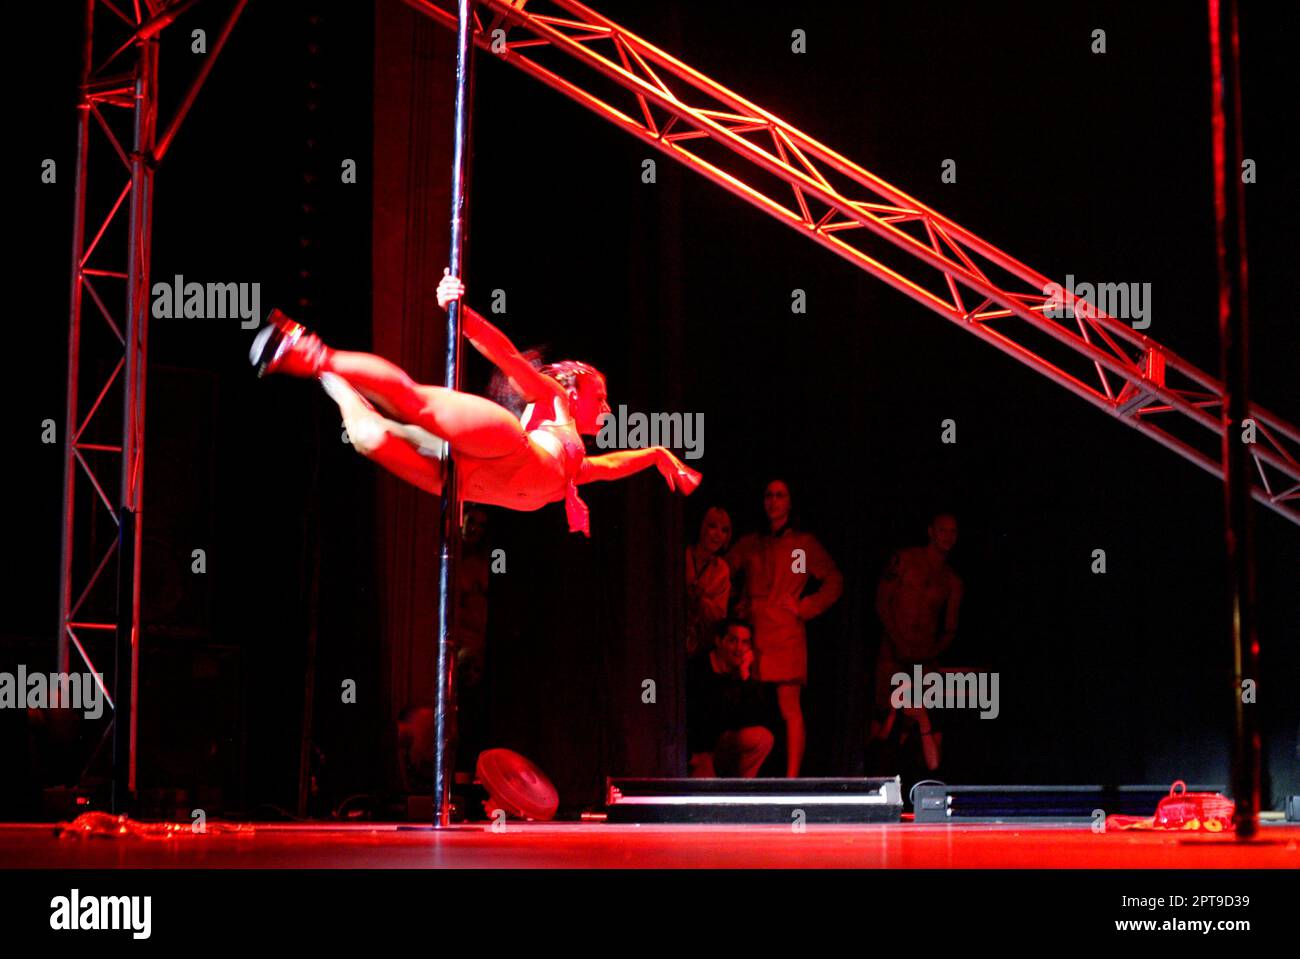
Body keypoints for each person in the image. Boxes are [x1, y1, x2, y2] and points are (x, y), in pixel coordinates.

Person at [249, 272, 701, 535]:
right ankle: (311, 352)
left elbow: (616, 465)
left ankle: (331, 377)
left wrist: (660, 455)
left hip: (455, 482)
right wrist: (461, 315)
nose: (606, 411)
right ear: (574, 388)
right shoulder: (555, 400)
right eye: (600, 399)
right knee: (412, 403)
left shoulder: (575, 470)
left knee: (367, 438)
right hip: (505, 445)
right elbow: (506, 355)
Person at [726, 479, 841, 777]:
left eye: (780, 495)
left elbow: (834, 581)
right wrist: (736, 602)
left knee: (789, 707)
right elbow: (725, 569)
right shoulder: (752, 542)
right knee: (742, 704)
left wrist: (805, 606)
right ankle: (739, 775)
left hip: (786, 632)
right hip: (751, 634)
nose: (773, 501)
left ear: (790, 503)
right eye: (768, 495)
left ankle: (792, 780)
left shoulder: (802, 544)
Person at [872, 512, 963, 770]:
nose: (948, 536)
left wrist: (930, 651)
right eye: (943, 530)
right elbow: (881, 602)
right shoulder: (903, 560)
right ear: (931, 532)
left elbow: (950, 628)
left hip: (924, 660)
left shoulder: (953, 581)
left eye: (953, 531)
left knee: (927, 721)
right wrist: (898, 641)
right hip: (892, 653)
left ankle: (922, 786)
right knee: (884, 719)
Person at [686, 620, 773, 778]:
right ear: (719, 641)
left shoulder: (738, 674)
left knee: (763, 738)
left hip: (719, 746)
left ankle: (741, 789)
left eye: (745, 642)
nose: (739, 648)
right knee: (706, 794)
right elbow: (690, 719)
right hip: (696, 751)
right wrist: (691, 755)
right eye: (733, 641)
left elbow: (752, 717)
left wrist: (745, 676)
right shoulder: (696, 670)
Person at [685, 506, 732, 656]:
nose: (718, 535)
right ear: (702, 527)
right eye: (713, 526)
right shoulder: (683, 556)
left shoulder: (722, 569)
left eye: (724, 530)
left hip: (701, 645)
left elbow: (719, 615)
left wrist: (702, 600)